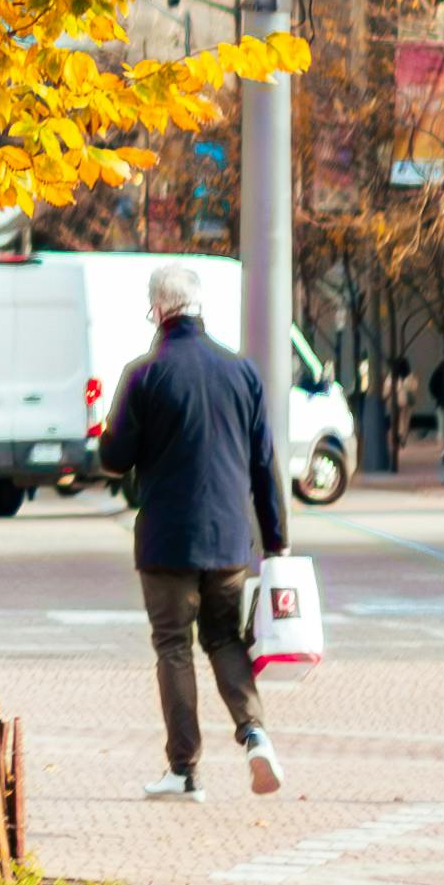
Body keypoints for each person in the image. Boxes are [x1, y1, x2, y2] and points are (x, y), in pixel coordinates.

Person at [95, 256, 289, 800]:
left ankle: (184, 770)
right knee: (226, 638)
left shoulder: (144, 373)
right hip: (229, 538)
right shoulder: (241, 371)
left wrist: (107, 436)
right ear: (199, 306)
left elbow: (115, 457)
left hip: (166, 540)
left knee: (174, 646)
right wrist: (276, 539)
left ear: (158, 309)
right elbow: (264, 464)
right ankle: (255, 735)